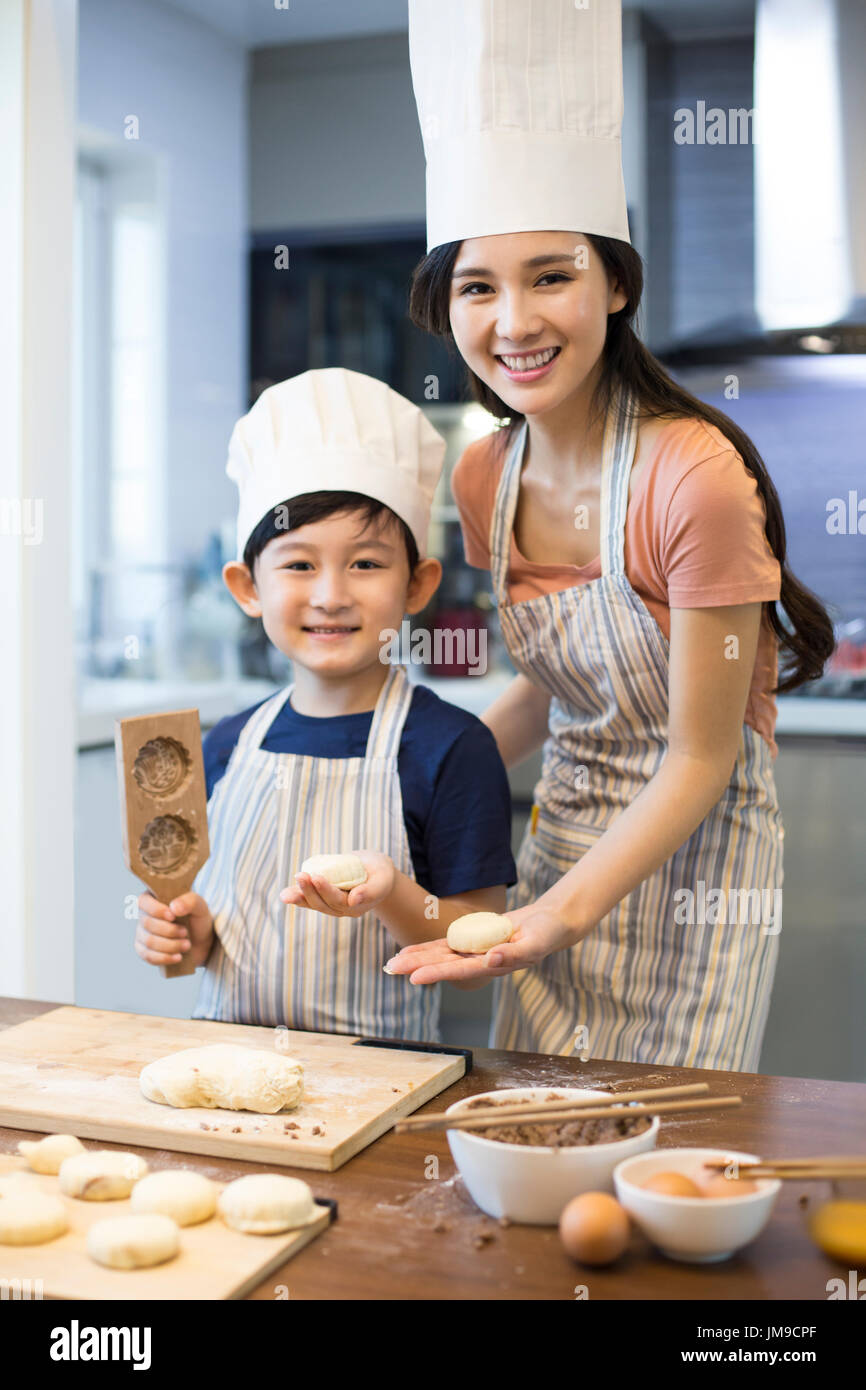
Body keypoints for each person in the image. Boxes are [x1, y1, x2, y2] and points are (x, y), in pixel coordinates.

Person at [385, 0, 834, 1069]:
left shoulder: (692, 479)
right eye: (476, 288)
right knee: (537, 1133)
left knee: (656, 1143)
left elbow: (699, 751)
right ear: (444, 307)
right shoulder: (487, 474)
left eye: (551, 275)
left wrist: (560, 919)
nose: (514, 322)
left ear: (614, 282)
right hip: (563, 841)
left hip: (696, 869)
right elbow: (554, 685)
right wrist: (418, 779)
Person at [134, 367, 516, 1041]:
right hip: (223, 1068)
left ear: (419, 583)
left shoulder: (450, 748)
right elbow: (210, 945)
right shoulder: (223, 745)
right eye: (299, 564)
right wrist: (187, 936)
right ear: (246, 587)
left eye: (366, 564)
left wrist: (391, 892)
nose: (332, 594)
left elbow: (479, 955)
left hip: (382, 1085)